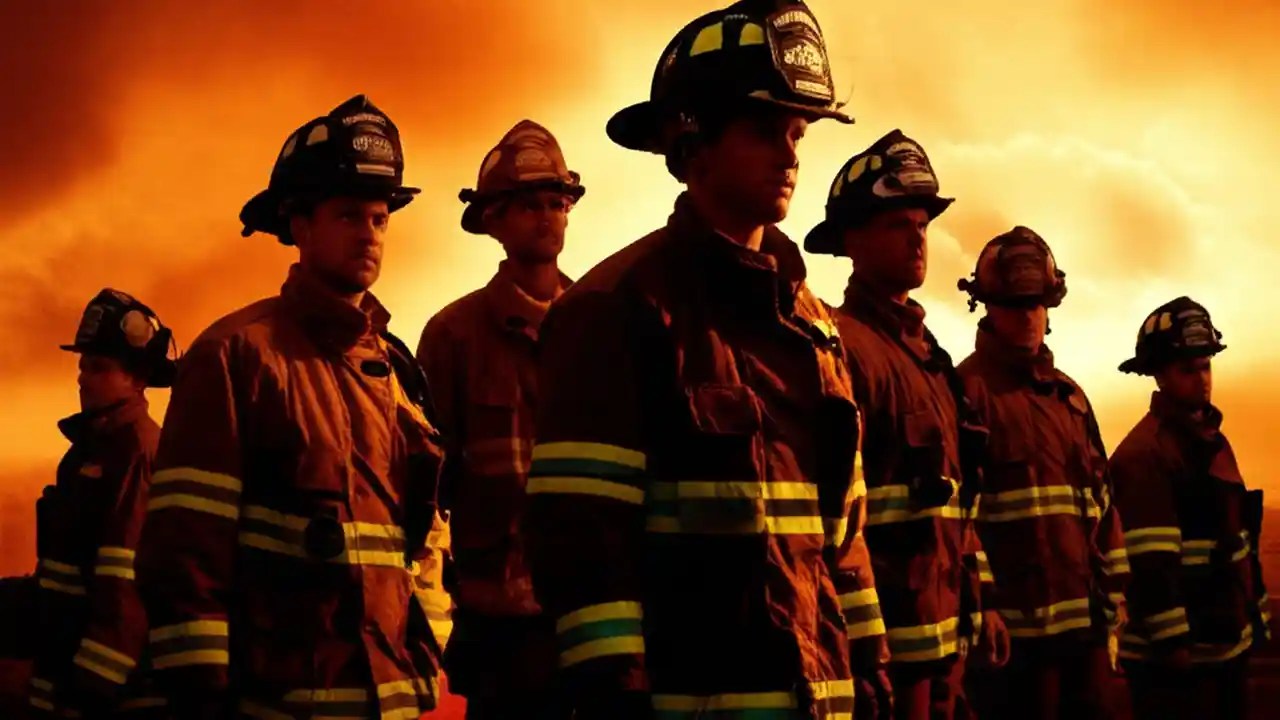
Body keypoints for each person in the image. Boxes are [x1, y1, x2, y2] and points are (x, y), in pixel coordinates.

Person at [523, 2, 881, 718]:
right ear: (691, 145)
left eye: (797, 133)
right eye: (764, 131)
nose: (790, 156)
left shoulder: (812, 322)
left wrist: (870, 669)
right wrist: (615, 697)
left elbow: (843, 534)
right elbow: (585, 541)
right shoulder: (615, 309)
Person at [135, 94, 446, 720]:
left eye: (380, 218)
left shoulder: (393, 370)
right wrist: (203, 695)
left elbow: (422, 542)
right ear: (299, 226)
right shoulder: (235, 356)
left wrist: (429, 651)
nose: (369, 234)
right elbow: (188, 544)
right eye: (349, 215)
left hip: (393, 701)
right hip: (280, 703)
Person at [802, 129, 1007, 720]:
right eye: (899, 224)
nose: (918, 238)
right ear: (851, 240)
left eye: (922, 224)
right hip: (888, 653)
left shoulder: (930, 359)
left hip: (948, 645)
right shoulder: (841, 348)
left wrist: (983, 602)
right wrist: (861, 648)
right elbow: (833, 516)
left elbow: (956, 504)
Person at [416, 119, 583, 719]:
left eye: (556, 203)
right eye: (530, 205)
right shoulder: (453, 336)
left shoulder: (599, 325)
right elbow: (428, 484)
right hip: (499, 625)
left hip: (591, 612)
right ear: (493, 220)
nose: (547, 217)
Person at [955, 227, 1129, 719]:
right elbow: (957, 517)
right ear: (987, 307)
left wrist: (1115, 600)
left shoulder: (1070, 399)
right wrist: (983, 604)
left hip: (1084, 639)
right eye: (1014, 305)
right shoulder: (965, 392)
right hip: (1011, 645)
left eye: (1037, 304)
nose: (1028, 316)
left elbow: (1103, 507)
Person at [1109, 296, 1270, 720]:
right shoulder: (1144, 454)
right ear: (1159, 374)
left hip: (1223, 648)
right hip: (1174, 666)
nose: (1202, 379)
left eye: (1206, 366)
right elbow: (1150, 564)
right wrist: (1174, 648)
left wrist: (1253, 619)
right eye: (1188, 369)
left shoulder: (1212, 442)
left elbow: (1239, 541)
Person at [23, 289, 176, 718]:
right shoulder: (88, 453)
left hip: (113, 693)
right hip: (67, 670)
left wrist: (88, 695)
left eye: (99, 367)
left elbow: (125, 591)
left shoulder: (137, 453)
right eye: (82, 365)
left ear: (138, 378)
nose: (82, 378)